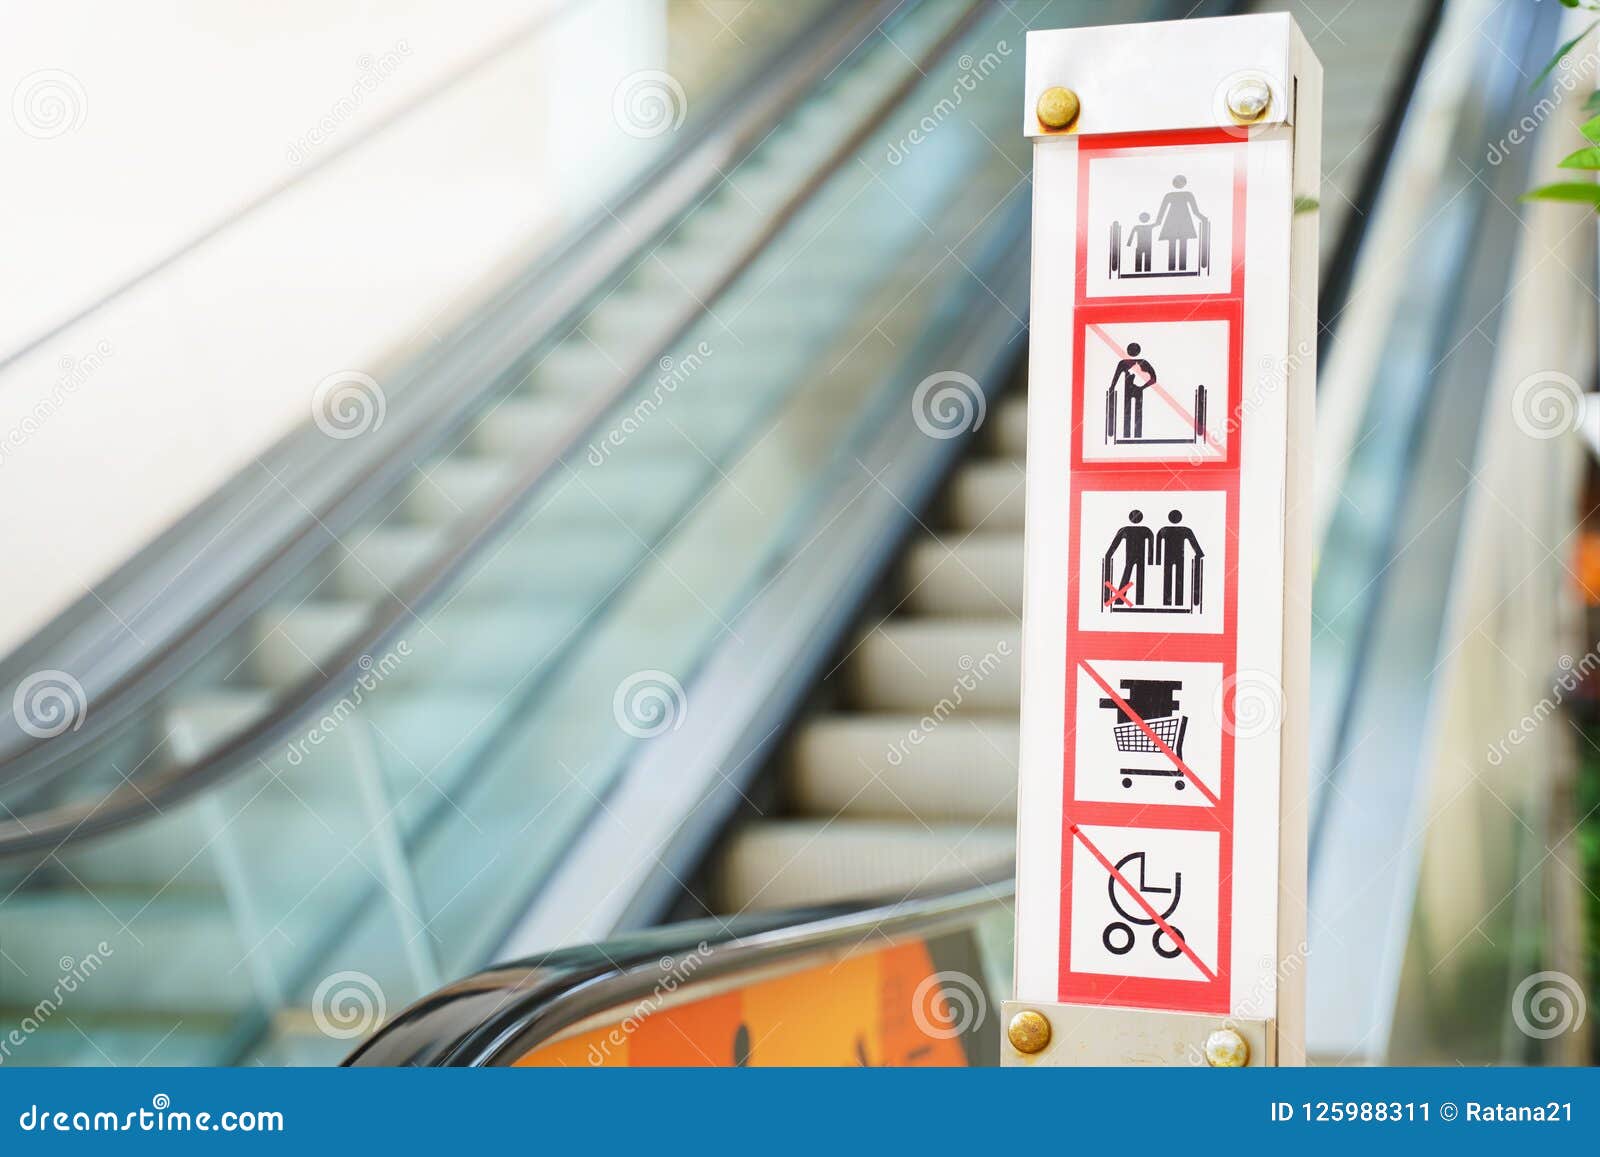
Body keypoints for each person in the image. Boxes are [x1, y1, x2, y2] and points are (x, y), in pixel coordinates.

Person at [1154, 175, 1206, 273]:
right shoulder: (1170, 195)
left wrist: (1202, 218)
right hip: (1173, 220)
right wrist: (1158, 222)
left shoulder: (1187, 194)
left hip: (1183, 220)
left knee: (1182, 243)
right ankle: (1172, 268)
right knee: (1174, 243)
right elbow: (1162, 209)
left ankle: (1181, 267)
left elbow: (1195, 210)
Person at [1104, 510, 1154, 608]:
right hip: (1136, 558)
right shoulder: (1143, 530)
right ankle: (1136, 601)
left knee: (1130, 576)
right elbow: (1151, 540)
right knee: (1135, 577)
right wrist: (1151, 560)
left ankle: (1125, 601)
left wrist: (1109, 554)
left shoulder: (1127, 529)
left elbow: (1151, 541)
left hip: (1133, 558)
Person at [1156, 509, 1204, 609]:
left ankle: (1169, 602)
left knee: (1171, 578)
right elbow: (1193, 543)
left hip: (1170, 558)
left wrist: (1157, 560)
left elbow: (1158, 544)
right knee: (1178, 578)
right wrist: (1198, 553)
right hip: (1178, 558)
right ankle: (1177, 602)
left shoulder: (1164, 530)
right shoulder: (1184, 530)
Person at [1108, 342, 1156, 441]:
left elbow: (1154, 379)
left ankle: (1136, 437)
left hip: (1136, 392)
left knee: (1136, 415)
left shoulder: (1140, 362)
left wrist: (1142, 387)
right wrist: (1112, 387)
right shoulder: (1124, 363)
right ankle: (1128, 437)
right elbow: (1116, 376)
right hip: (1129, 392)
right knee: (1128, 414)